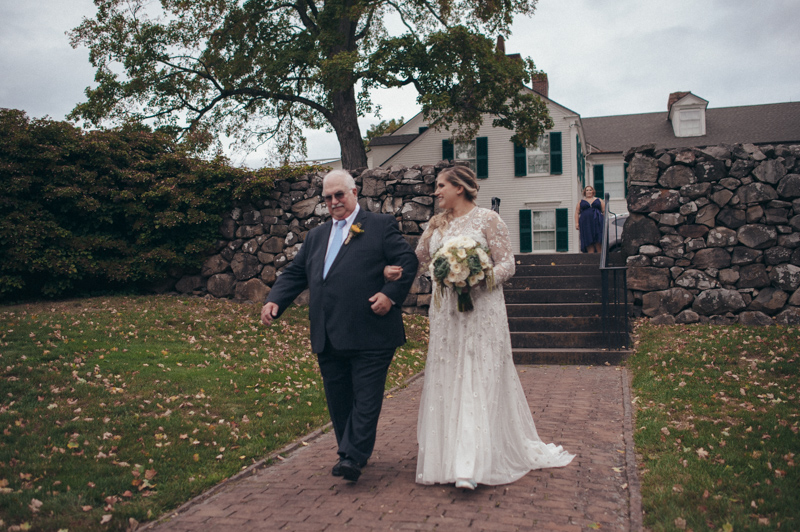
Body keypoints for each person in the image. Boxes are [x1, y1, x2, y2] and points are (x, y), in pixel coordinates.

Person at [413, 166, 574, 490]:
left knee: (476, 376)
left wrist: (477, 277)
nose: (436, 192)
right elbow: (422, 258)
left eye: (441, 186)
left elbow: (508, 264)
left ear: (459, 187)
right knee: (449, 377)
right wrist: (442, 263)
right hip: (446, 314)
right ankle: (448, 457)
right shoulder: (436, 223)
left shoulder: (488, 220)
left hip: (482, 309)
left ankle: (470, 465)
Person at [261, 169, 418, 483]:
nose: (333, 202)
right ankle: (350, 450)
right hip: (328, 332)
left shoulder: (379, 225)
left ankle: (352, 457)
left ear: (354, 192)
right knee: (339, 399)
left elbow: (407, 261)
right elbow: (296, 274)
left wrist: (390, 296)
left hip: (371, 331)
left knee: (366, 397)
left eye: (339, 195)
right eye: (328, 197)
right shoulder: (318, 235)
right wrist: (275, 299)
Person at [575, 185, 605, 253]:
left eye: (590, 190)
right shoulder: (581, 202)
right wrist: (576, 223)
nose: (589, 191)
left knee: (598, 238)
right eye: (587, 190)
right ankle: (590, 256)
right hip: (586, 223)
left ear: (593, 191)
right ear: (585, 192)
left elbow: (604, 211)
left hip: (597, 222)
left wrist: (605, 221)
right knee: (588, 238)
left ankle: (599, 255)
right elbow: (577, 212)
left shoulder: (599, 200)